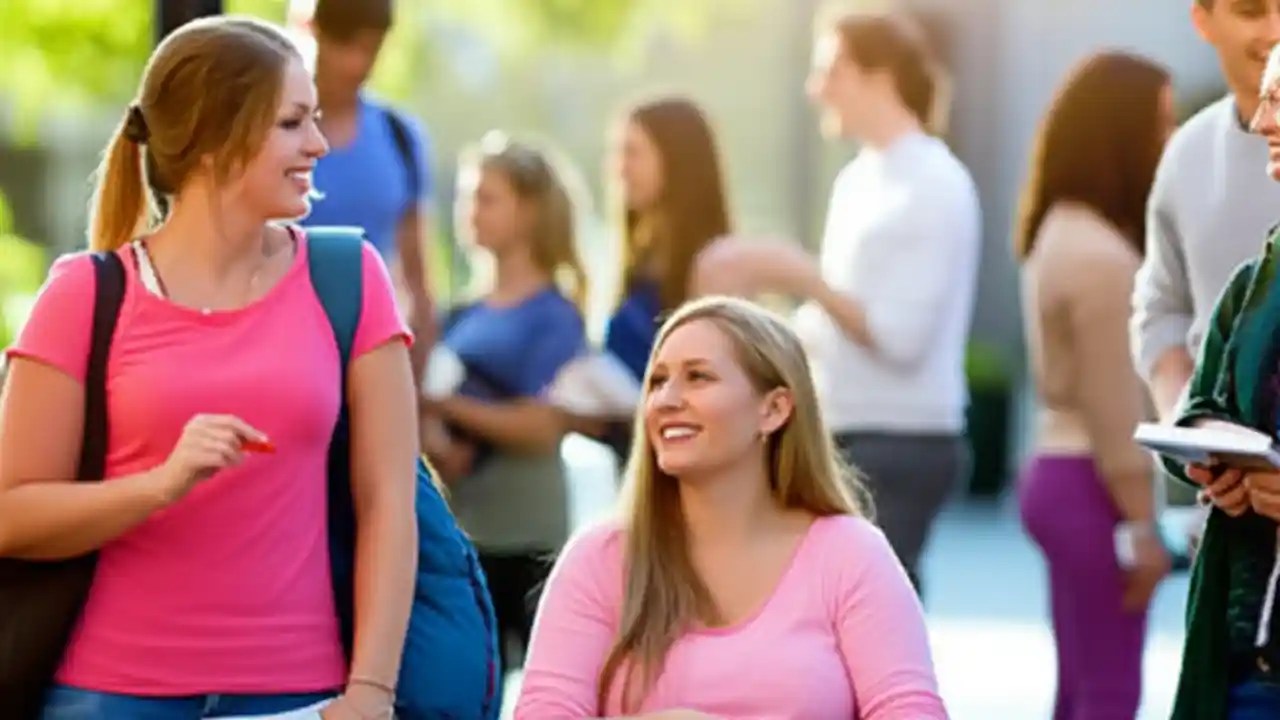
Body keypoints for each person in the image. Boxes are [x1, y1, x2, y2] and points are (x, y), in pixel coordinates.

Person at [0, 17, 417, 719]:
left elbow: (388, 504)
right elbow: (10, 513)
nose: (319, 144)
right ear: (215, 138)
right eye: (292, 123)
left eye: (315, 120)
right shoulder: (84, 294)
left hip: (298, 697)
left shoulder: (349, 278)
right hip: (109, 697)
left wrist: (371, 693)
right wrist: (159, 486)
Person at [515, 296, 946, 718]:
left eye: (698, 377)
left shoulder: (851, 554)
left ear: (774, 409)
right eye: (657, 381)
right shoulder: (600, 557)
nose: (666, 400)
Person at [697, 10, 981, 597]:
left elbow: (901, 340)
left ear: (879, 77)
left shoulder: (934, 181)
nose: (815, 88)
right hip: (848, 428)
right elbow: (834, 323)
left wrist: (802, 274)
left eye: (831, 70)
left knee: (867, 614)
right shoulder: (858, 180)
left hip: (900, 438)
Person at [1015, 51, 1176, 720]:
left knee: (1080, 684)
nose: (1170, 141)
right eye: (1161, 124)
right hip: (1094, 485)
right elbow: (1115, 411)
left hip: (1059, 474)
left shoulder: (1058, 230)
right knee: (1110, 691)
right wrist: (1143, 525)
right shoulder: (1102, 258)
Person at [419, 132, 587, 678]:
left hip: (530, 536)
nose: (470, 212)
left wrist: (446, 408)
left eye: (487, 198)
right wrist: (436, 435)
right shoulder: (460, 313)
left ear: (529, 210)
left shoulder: (556, 314)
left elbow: (543, 427)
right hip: (466, 536)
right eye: (467, 197)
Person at [1164, 41, 1280, 720]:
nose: (1263, 120)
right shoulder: (1255, 281)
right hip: (1246, 665)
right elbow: (1202, 404)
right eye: (1264, 99)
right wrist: (1215, 456)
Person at [1132, 0, 1280, 423]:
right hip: (1218, 479)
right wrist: (1195, 429)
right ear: (1203, 20)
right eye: (1251, 12)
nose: (1273, 31)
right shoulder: (1187, 153)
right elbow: (1162, 311)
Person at [302, 0, 438, 377]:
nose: (357, 65)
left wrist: (418, 374)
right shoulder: (273, 129)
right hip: (288, 350)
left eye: (371, 49)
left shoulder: (400, 138)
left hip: (373, 355)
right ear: (314, 31)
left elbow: (418, 274)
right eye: (346, 47)